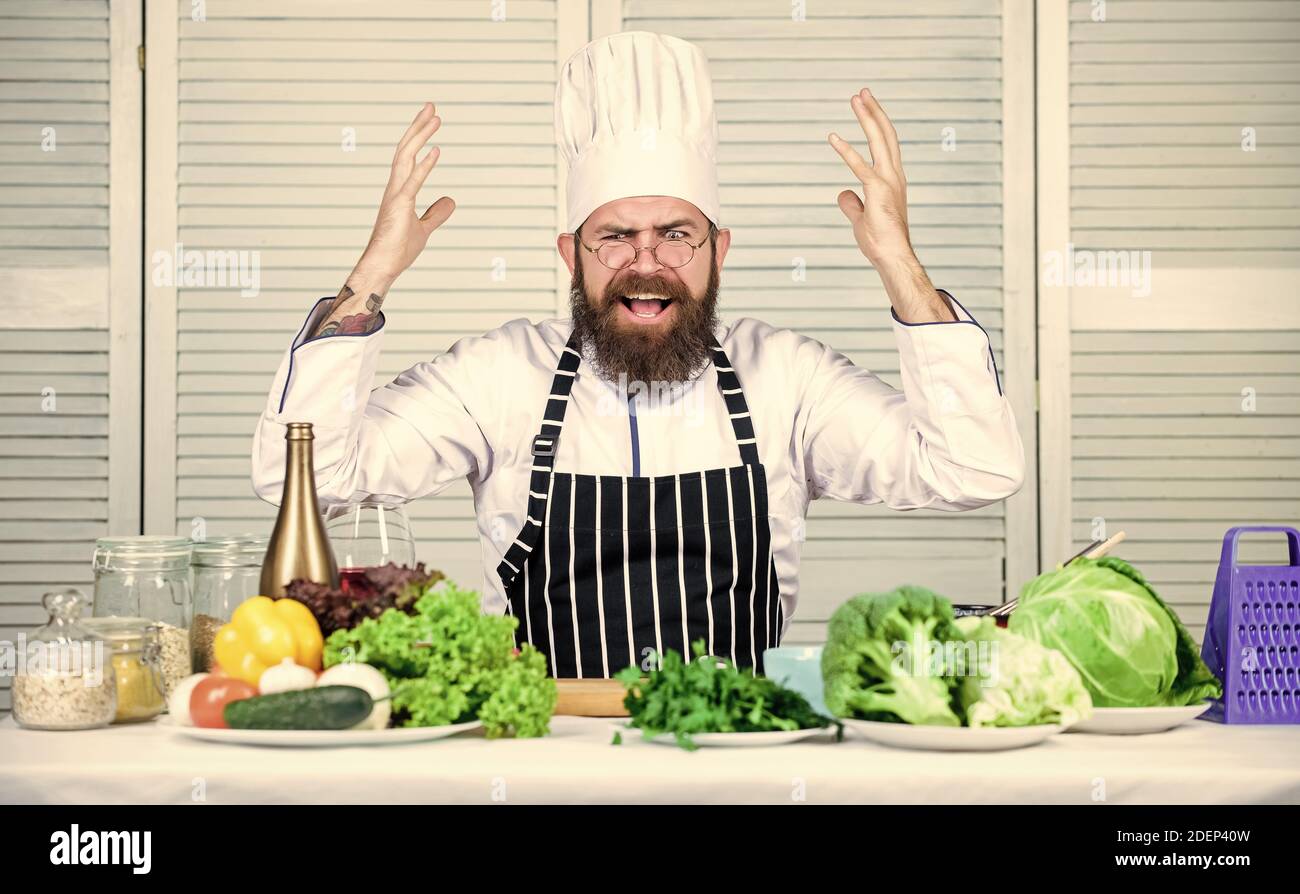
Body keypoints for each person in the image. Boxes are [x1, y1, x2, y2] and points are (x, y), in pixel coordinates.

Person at [251, 31, 1024, 678]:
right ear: (572, 254)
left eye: (676, 235)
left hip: (734, 756)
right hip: (540, 759)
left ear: (718, 250)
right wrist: (371, 276)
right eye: (615, 236)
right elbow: (303, 477)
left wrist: (901, 266)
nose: (646, 262)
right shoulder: (500, 375)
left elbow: (974, 468)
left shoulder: (788, 378)